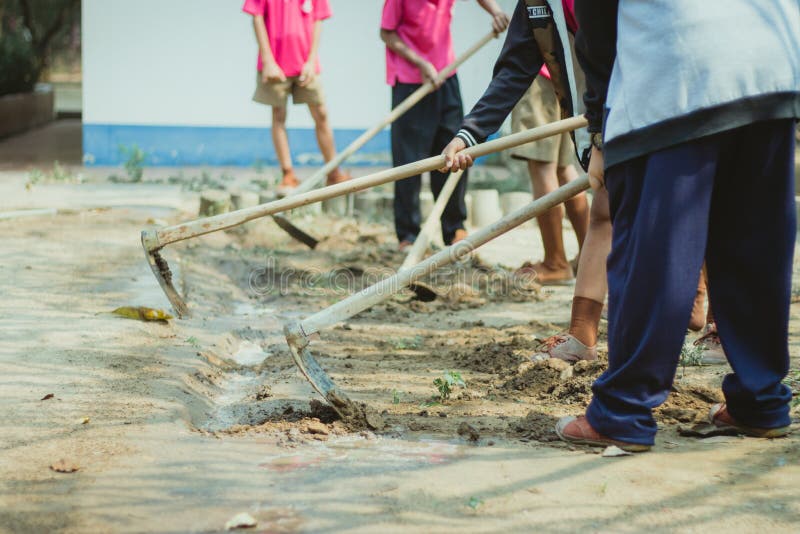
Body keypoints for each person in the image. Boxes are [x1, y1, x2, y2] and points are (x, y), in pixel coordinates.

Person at [553, 0, 799, 452]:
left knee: (657, 250)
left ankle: (622, 412)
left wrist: (600, 129)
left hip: (679, 68)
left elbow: (596, 22)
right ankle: (761, 402)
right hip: (772, 63)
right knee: (754, 244)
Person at [441, 0, 605, 362]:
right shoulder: (537, 4)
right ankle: (582, 335)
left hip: (649, 107)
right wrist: (470, 134)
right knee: (604, 211)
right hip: (593, 109)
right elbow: (515, 66)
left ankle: (706, 308)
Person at [380, 0, 509, 250]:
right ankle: (408, 235)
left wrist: (495, 12)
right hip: (411, 80)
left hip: (447, 74)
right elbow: (386, 33)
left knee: (453, 150)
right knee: (410, 160)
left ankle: (454, 228)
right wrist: (420, 63)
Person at [243, 0, 349, 194]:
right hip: (274, 62)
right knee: (278, 115)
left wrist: (311, 60)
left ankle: (333, 172)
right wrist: (268, 60)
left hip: (306, 63)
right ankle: (288, 174)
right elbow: (256, 17)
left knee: (321, 113)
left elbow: (318, 21)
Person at [510, 60, 590, 285]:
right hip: (564, 69)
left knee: (543, 165)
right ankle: (590, 255)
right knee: (563, 168)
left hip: (537, 70)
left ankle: (555, 262)